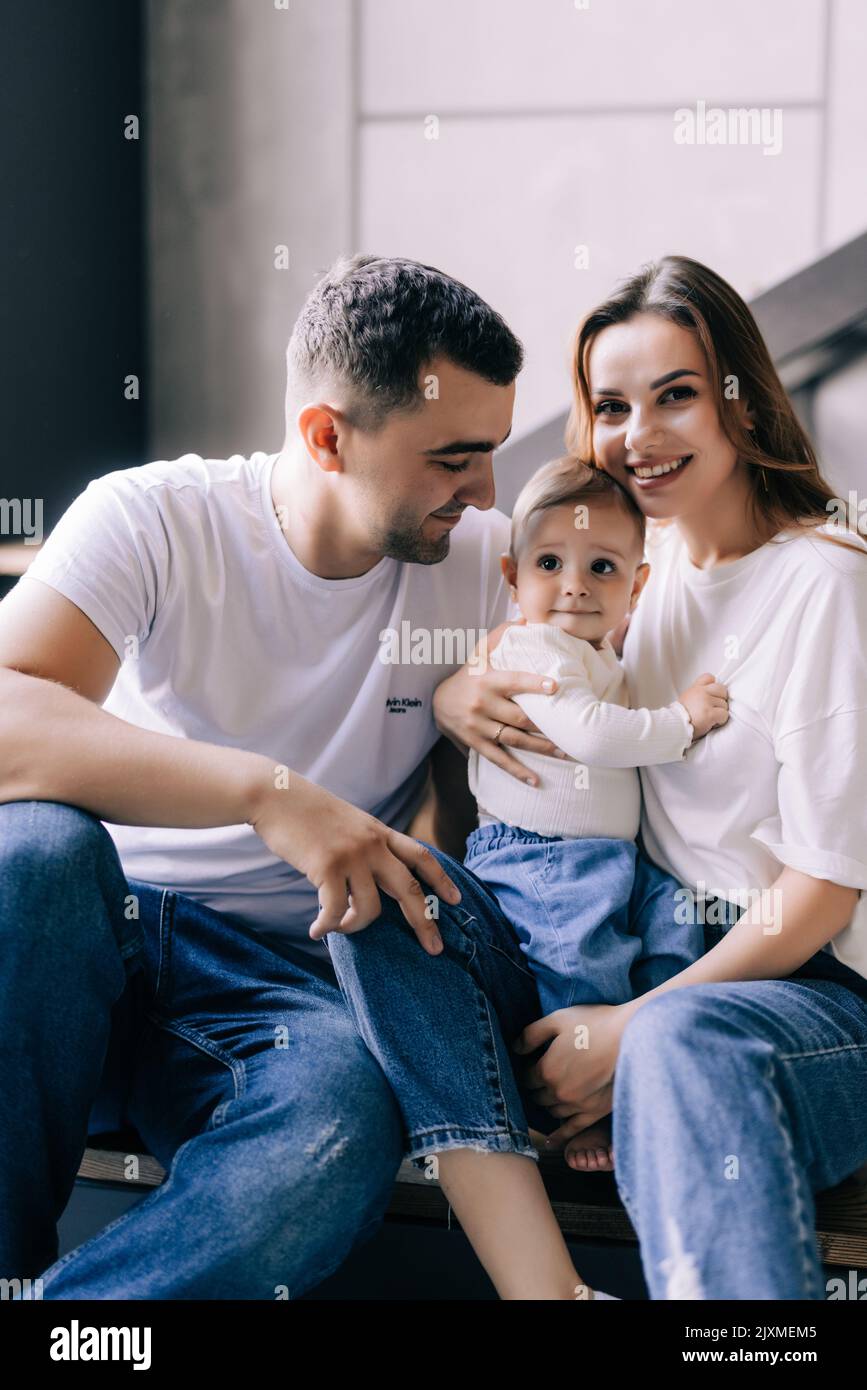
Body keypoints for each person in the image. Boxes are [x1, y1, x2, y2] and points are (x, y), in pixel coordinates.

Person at [0, 253, 580, 1299]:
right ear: (326, 437)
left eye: (491, 451)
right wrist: (271, 794)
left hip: (284, 977)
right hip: (89, 938)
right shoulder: (154, 517)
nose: (487, 490)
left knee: (339, 1119)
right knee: (32, 852)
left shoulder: (489, 562)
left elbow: (661, 636)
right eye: (454, 457)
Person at [411, 254, 867, 1298]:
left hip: (804, 998)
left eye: (677, 396)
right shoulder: (628, 577)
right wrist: (453, 693)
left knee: (679, 1045)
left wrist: (626, 1029)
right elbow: (533, 651)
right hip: (631, 949)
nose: (639, 435)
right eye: (612, 405)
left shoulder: (828, 585)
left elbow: (822, 891)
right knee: (390, 901)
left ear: (741, 402)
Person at [463, 454, 730, 1173]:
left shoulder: (601, 654)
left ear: (637, 585)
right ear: (511, 576)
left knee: (675, 917)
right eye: (549, 562)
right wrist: (682, 719)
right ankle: (580, 1110)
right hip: (537, 852)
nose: (575, 585)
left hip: (611, 856)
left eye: (603, 568)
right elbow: (589, 734)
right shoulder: (532, 645)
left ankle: (651, 1051)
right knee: (579, 958)